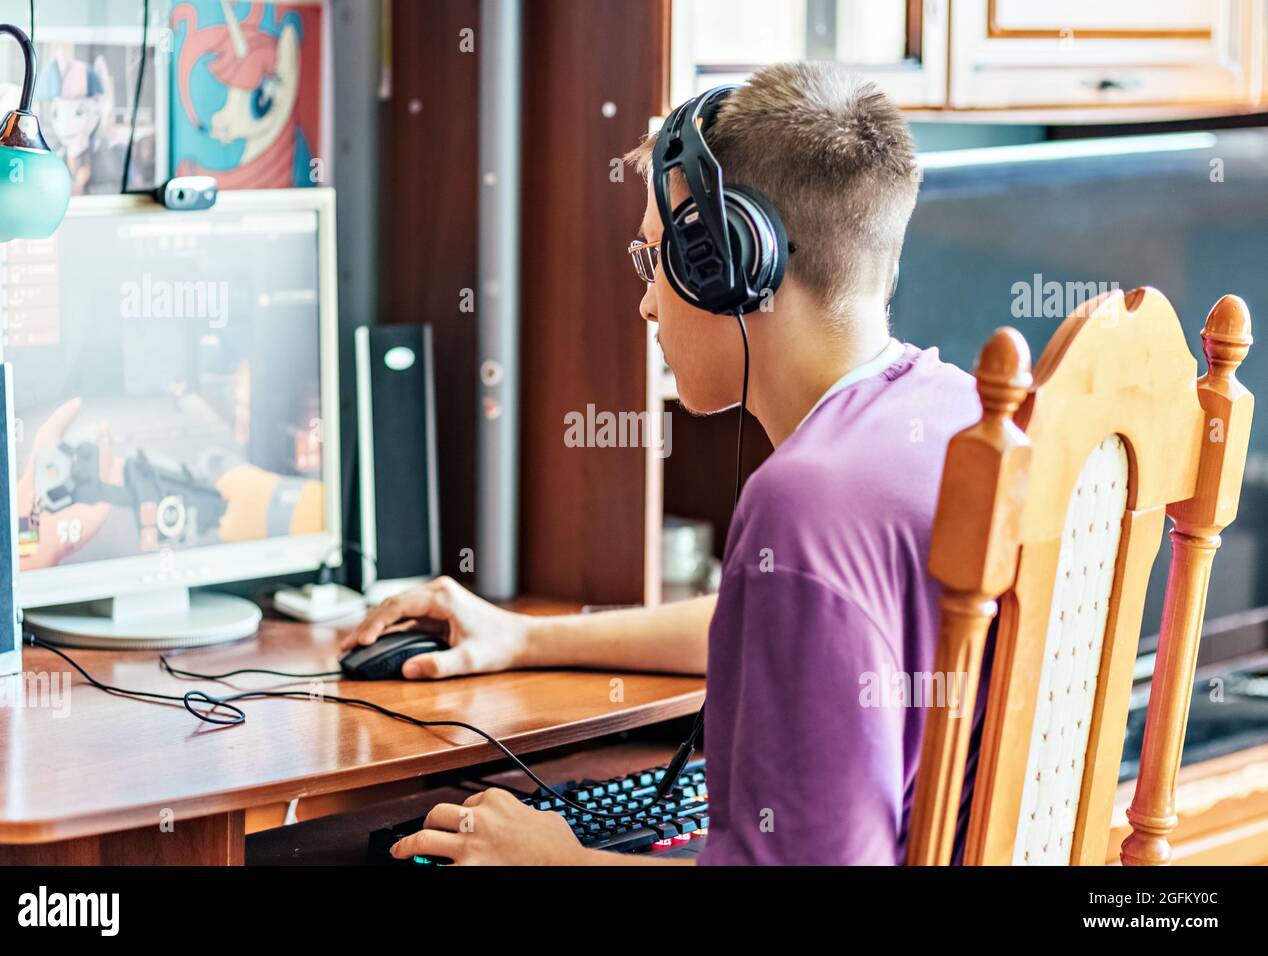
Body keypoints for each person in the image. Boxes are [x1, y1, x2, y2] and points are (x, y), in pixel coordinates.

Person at [343, 62, 985, 866]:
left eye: (659, 257)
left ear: (732, 263)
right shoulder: (957, 411)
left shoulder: (810, 500)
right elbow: (786, 620)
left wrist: (558, 860)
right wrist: (522, 639)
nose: (648, 301)